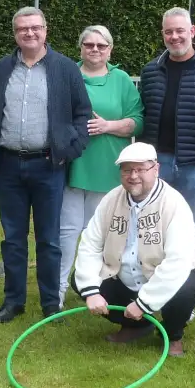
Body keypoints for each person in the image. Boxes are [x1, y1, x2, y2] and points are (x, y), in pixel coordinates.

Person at [0, 6, 92, 323]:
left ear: (45, 30)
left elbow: (82, 114)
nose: (29, 33)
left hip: (48, 165)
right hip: (8, 166)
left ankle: (50, 304)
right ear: (15, 33)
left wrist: (70, 149)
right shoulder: (2, 69)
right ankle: (13, 301)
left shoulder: (65, 68)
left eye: (35, 27)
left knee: (49, 239)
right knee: (13, 239)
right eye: (22, 28)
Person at [74, 142, 195, 358]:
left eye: (140, 169)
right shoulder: (111, 200)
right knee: (80, 280)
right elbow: (90, 244)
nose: (133, 176)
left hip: (164, 274)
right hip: (123, 275)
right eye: (127, 170)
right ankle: (137, 326)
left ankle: (173, 335)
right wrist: (91, 291)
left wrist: (145, 303)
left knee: (187, 286)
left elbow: (177, 261)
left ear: (156, 169)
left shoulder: (174, 203)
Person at [58, 25, 142, 306]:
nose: (95, 49)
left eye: (101, 45)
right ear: (80, 48)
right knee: (67, 231)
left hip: (107, 168)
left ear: (110, 50)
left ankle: (96, 288)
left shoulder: (121, 80)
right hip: (72, 165)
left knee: (103, 234)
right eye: (89, 44)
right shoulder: (67, 74)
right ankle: (57, 291)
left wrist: (109, 126)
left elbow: (138, 120)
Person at [138, 7, 195, 242]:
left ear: (192, 31)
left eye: (180, 30)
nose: (174, 37)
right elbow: (144, 115)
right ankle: (153, 265)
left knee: (190, 224)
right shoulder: (150, 71)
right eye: (168, 32)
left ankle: (188, 265)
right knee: (153, 223)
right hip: (157, 162)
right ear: (163, 34)